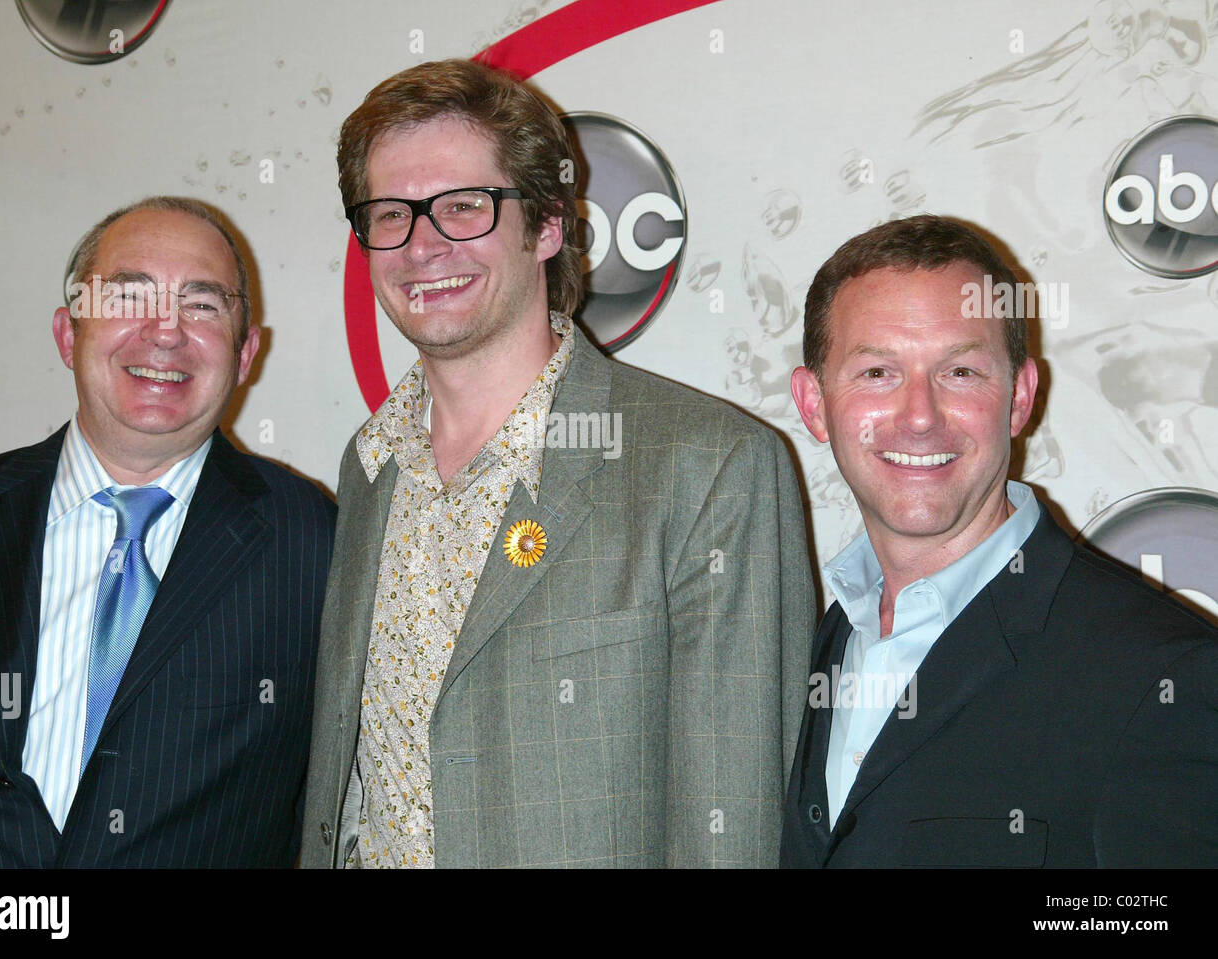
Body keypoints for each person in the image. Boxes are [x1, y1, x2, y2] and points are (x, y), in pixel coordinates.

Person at [302, 59, 815, 868]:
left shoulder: (708, 466)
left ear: (546, 225)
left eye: (464, 206)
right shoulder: (370, 466)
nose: (423, 245)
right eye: (390, 214)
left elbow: (733, 830)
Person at [782, 214, 1218, 867]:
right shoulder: (829, 637)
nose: (919, 416)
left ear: (1019, 397)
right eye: (877, 372)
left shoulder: (1164, 679)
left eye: (960, 372)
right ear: (814, 404)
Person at [0, 197, 335, 867]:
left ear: (246, 353)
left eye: (202, 304)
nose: (165, 331)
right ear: (68, 335)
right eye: (127, 298)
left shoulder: (316, 542)